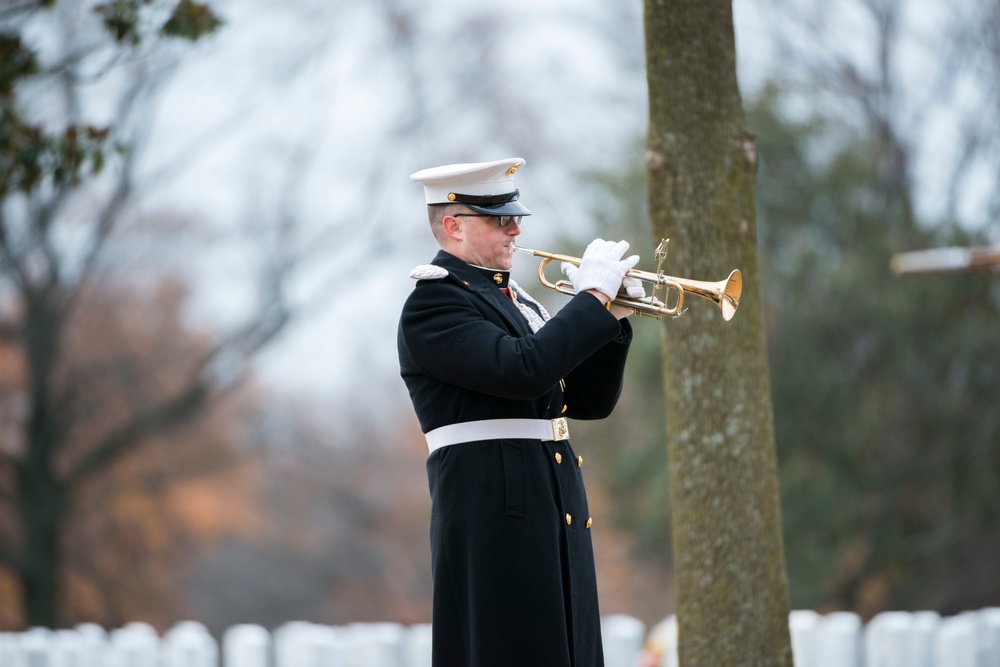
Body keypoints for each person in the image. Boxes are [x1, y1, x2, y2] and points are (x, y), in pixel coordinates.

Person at [398, 157, 643, 667]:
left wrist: (613, 319)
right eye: (499, 218)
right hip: (493, 512)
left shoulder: (515, 300)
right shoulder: (435, 303)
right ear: (453, 225)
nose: (515, 229)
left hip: (551, 504)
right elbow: (523, 370)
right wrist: (592, 298)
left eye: (516, 217)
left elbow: (589, 401)